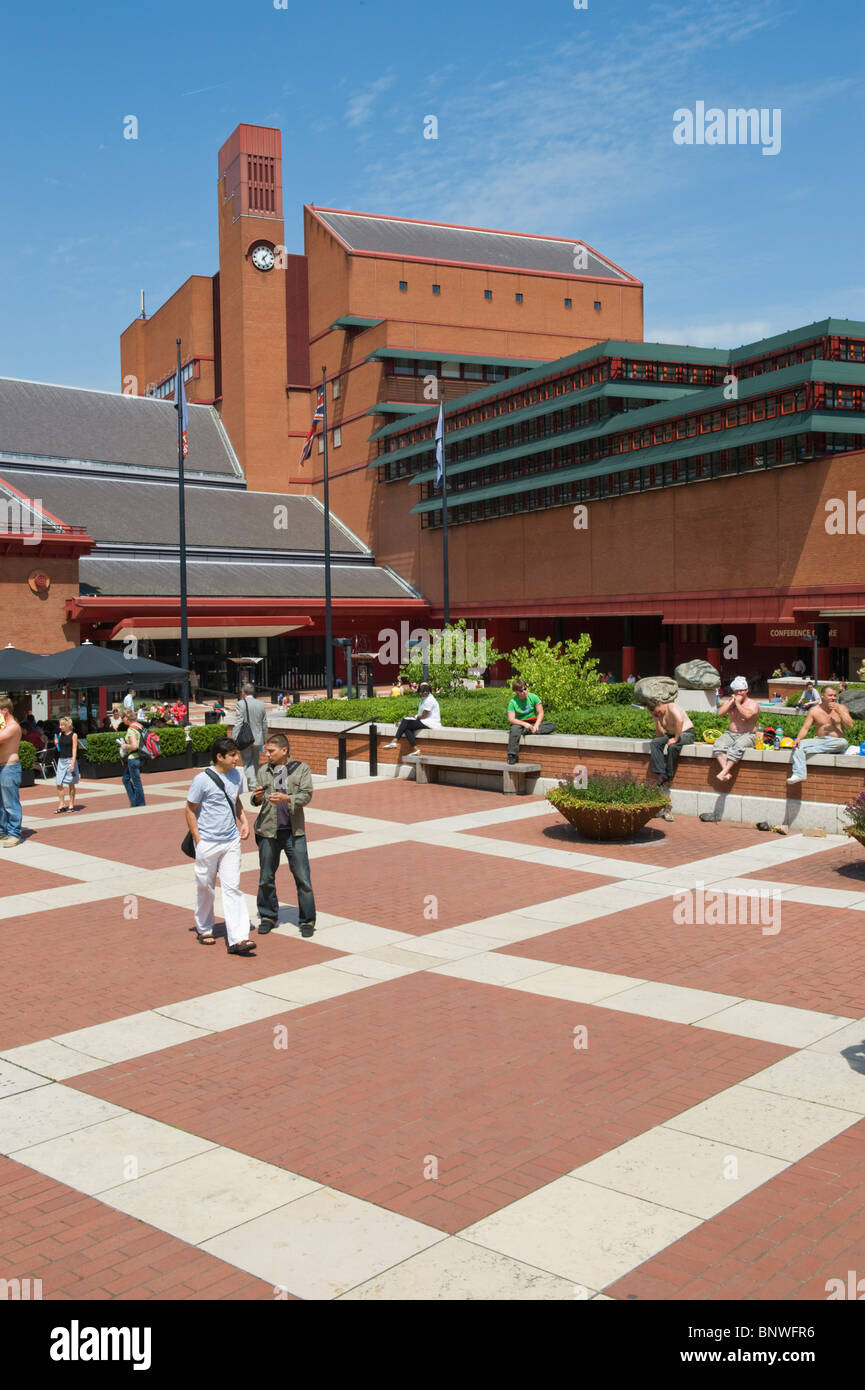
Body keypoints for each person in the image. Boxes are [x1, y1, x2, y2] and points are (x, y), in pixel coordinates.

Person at [185, 736, 255, 954]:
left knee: (232, 887)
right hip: (207, 841)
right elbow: (189, 809)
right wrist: (198, 839)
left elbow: (234, 800)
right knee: (205, 887)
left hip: (231, 840)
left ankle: (238, 939)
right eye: (233, 755)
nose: (237, 759)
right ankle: (204, 928)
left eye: (237, 754)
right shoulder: (202, 780)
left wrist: (243, 821)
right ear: (219, 757)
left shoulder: (236, 775)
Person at [251, 732, 316, 938]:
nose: (267, 755)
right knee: (265, 877)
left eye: (271, 751)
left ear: (284, 751)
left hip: (293, 831)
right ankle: (268, 916)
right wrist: (256, 798)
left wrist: (288, 798)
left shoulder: (301, 769)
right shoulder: (263, 771)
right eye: (266, 751)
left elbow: (306, 795)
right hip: (267, 831)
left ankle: (307, 920)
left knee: (303, 878)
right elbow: (256, 801)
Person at [787, 686, 853, 785]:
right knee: (798, 745)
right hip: (820, 740)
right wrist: (798, 739)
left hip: (838, 741)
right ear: (822, 696)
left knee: (843, 743)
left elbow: (850, 725)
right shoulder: (814, 710)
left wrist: (839, 711)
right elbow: (805, 728)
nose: (833, 698)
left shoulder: (842, 708)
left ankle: (810, 750)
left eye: (834, 695)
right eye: (830, 695)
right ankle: (799, 774)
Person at [647, 697, 695, 820]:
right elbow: (660, 735)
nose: (659, 713)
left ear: (661, 704)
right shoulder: (658, 715)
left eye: (658, 711)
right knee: (655, 743)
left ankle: (668, 774)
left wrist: (675, 738)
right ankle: (661, 773)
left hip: (686, 733)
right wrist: (656, 720)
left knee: (673, 747)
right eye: (655, 713)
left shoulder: (671, 707)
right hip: (670, 734)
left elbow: (679, 721)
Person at [713, 677, 760, 781]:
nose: (741, 693)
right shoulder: (730, 702)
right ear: (734, 691)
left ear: (747, 690)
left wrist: (738, 704)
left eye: (743, 690)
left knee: (737, 746)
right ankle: (726, 772)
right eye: (738, 691)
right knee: (718, 745)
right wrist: (731, 703)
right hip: (731, 734)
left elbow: (748, 715)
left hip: (748, 734)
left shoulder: (753, 703)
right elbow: (720, 713)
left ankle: (724, 772)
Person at [505, 678, 555, 765]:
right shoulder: (512, 702)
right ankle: (512, 756)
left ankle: (528, 731)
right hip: (520, 724)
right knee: (514, 729)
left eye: (525, 688)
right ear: (516, 692)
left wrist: (536, 725)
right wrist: (524, 724)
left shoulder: (533, 697)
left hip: (533, 723)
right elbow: (511, 719)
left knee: (551, 725)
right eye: (521, 690)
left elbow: (541, 713)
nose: (524, 691)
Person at [382, 681, 441, 750]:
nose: (422, 693)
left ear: (427, 691)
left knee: (404, 722)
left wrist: (415, 716)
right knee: (406, 727)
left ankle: (394, 741)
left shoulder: (429, 700)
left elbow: (423, 716)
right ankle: (416, 749)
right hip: (425, 721)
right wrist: (414, 716)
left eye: (423, 691)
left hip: (430, 723)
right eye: (421, 691)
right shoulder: (425, 699)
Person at [232, 682, 269, 793]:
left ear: (243, 693)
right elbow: (265, 723)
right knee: (256, 762)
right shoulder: (261, 704)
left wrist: (234, 738)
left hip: (246, 739)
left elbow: (238, 722)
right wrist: (264, 739)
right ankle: (256, 785)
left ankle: (253, 787)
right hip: (258, 739)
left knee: (248, 763)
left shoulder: (241, 704)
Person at [0, 696, 23, 848]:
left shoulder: (13, 726)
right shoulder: (4, 725)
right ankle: (3, 831)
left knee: (10, 803)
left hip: (9, 767)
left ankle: (14, 834)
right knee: (2, 803)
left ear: (5, 710)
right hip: (2, 767)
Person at [119, 710, 146, 807]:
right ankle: (135, 801)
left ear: (127, 717)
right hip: (141, 756)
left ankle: (138, 803)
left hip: (133, 757)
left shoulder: (131, 729)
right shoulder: (139, 726)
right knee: (126, 778)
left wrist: (124, 746)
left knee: (136, 782)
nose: (122, 720)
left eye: (122, 718)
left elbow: (134, 746)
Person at [54, 716, 80, 813]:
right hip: (61, 760)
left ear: (68, 725)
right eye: (60, 725)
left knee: (71, 783)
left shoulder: (74, 735)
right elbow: (59, 749)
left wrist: (73, 762)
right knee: (58, 782)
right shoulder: (60, 734)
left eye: (62, 725)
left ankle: (71, 804)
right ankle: (62, 803)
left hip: (70, 760)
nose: (60, 727)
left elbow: (74, 749)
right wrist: (56, 744)